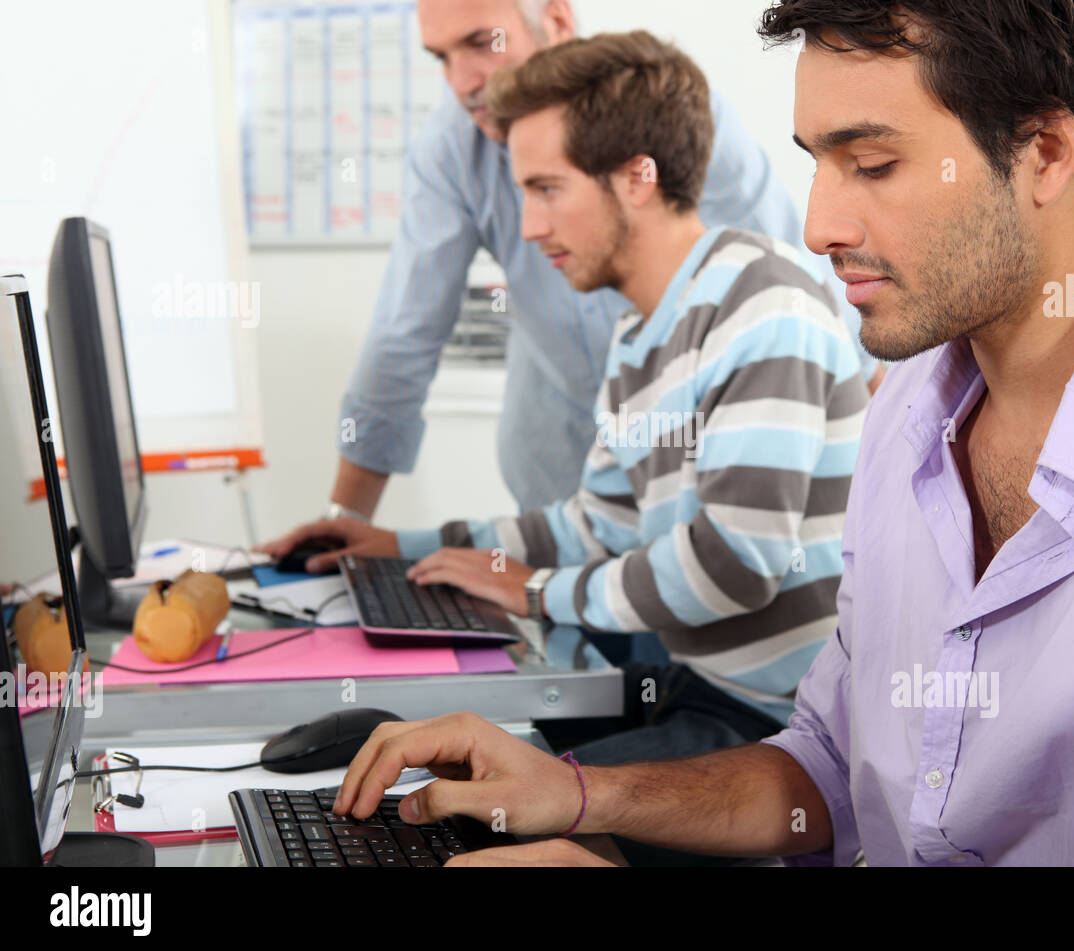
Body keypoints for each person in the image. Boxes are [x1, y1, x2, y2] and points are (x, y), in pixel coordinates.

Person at [327, 0, 1074, 866]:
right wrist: (581, 797)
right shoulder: (911, 406)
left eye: (872, 162)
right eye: (817, 163)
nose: (819, 221)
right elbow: (825, 767)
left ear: (1045, 150)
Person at [263, 29, 868, 854]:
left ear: (637, 177)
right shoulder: (640, 333)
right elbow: (598, 522)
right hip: (710, 691)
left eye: (547, 188)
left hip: (788, 734)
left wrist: (537, 590)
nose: (529, 226)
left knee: (494, 828)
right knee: (468, 797)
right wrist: (399, 546)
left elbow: (736, 563)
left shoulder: (761, 305)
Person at [322, 0, 882, 528]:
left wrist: (886, 480)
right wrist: (344, 526)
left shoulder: (677, 114)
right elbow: (404, 334)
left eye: (479, 42)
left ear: (557, 20)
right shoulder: (450, 148)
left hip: (712, 454)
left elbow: (806, 294)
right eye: (441, 57)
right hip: (561, 458)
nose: (462, 81)